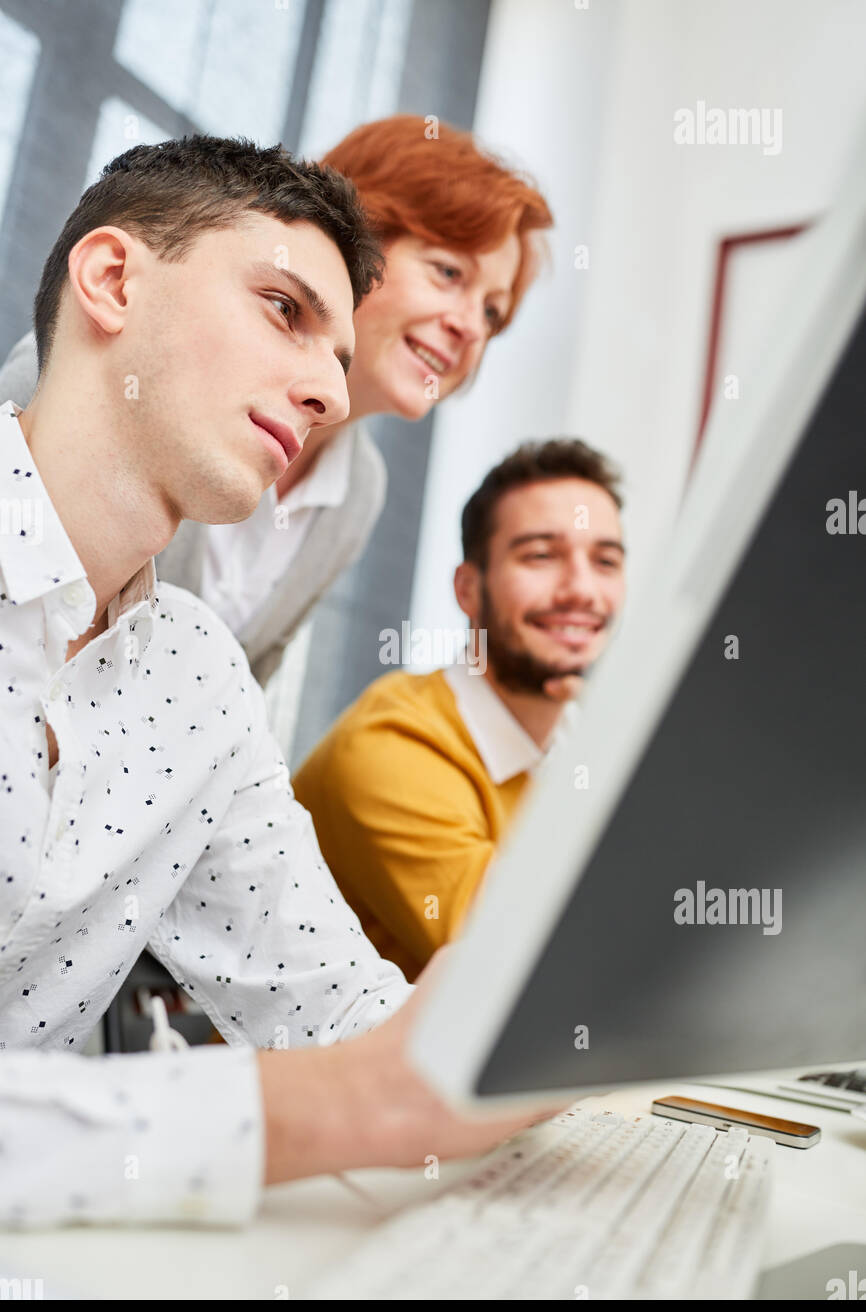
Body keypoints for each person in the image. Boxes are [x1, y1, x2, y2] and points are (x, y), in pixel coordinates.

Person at [0, 135, 553, 1229]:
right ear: (113, 280)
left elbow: (337, 1009)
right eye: (283, 310)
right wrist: (331, 1108)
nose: (321, 394)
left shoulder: (198, 676)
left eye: (336, 357)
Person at [0, 116, 553, 687]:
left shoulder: (358, 492)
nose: (471, 328)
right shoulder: (88, 368)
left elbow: (240, 690)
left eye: (493, 312)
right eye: (448, 273)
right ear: (357, 242)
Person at [293, 441, 626, 981]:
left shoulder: (580, 748)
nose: (582, 590)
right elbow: (532, 969)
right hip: (310, 1065)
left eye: (605, 561)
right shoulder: (393, 746)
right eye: (541, 555)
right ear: (468, 589)